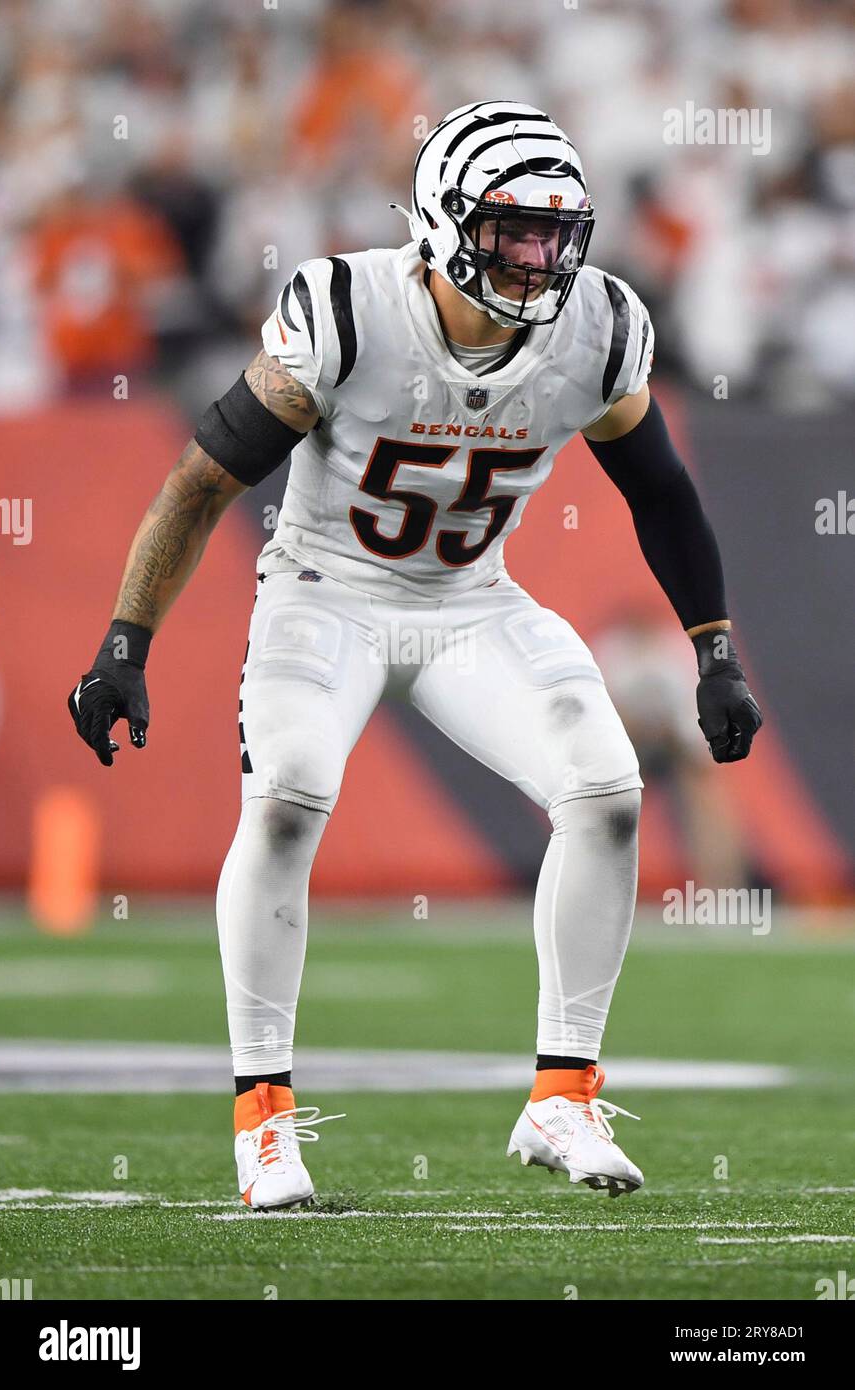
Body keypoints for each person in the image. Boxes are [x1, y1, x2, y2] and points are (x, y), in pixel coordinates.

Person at [69, 101, 762, 1208]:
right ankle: (263, 1123)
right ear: (441, 222)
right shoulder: (349, 309)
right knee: (288, 796)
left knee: (606, 790)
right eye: (509, 232)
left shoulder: (599, 325)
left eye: (553, 235)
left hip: (468, 602)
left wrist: (712, 649)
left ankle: (562, 1095)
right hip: (323, 595)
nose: (537, 260)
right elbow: (201, 480)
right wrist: (123, 640)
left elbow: (660, 492)